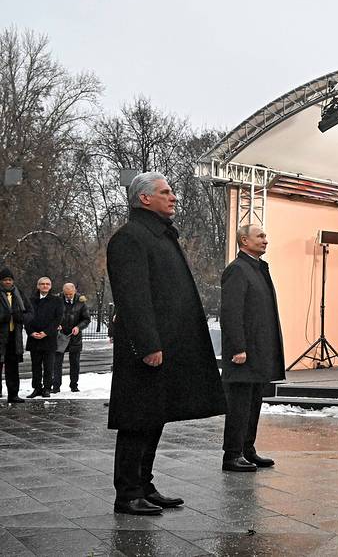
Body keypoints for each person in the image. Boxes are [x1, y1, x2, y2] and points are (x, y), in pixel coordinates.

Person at [106, 171, 226, 515]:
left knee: (154, 416)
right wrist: (148, 345)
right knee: (137, 420)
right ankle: (127, 493)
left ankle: (144, 484)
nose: (173, 197)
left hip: (167, 343)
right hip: (146, 348)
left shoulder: (158, 235)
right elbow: (133, 298)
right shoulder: (130, 237)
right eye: (165, 192)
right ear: (144, 198)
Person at [219, 224, 286, 472]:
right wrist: (238, 347)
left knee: (254, 403)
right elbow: (231, 312)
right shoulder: (237, 270)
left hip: (259, 353)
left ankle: (248, 450)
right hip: (243, 354)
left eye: (265, 236)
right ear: (244, 240)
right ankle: (232, 455)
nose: (265, 240)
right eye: (260, 236)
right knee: (239, 405)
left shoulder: (257, 269)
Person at [25, 277, 62, 399]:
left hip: (49, 338)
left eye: (47, 284)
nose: (45, 286)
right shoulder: (30, 300)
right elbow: (26, 318)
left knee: (48, 366)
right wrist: (31, 332)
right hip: (34, 338)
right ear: (38, 286)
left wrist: (46, 332)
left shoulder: (56, 301)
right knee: (35, 366)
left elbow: (57, 319)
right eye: (42, 284)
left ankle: (47, 388)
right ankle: (37, 388)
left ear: (50, 286)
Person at [53, 282, 90, 393]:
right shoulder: (57, 300)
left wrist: (78, 327)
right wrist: (56, 324)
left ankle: (74, 385)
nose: (68, 296)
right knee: (56, 363)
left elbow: (86, 319)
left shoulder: (81, 301)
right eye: (66, 294)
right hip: (60, 336)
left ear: (74, 291)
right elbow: (51, 315)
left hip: (75, 336)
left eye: (70, 294)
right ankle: (56, 386)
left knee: (75, 363)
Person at [0, 266, 29, 403]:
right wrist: (3, 316)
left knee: (12, 368)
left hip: (14, 336)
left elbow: (30, 312)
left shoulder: (19, 294)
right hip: (1, 336)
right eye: (5, 280)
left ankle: (13, 394)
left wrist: (21, 317)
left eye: (10, 280)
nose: (7, 282)